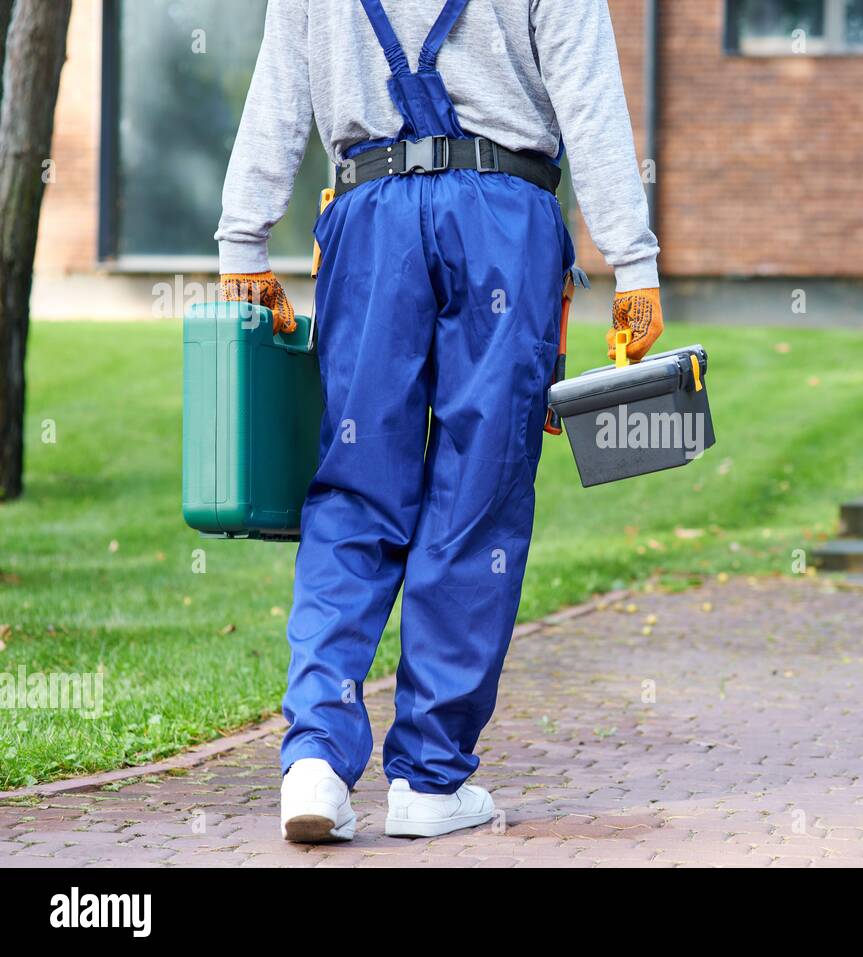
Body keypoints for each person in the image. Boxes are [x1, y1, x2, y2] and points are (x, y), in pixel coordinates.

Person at [215, 0, 662, 843]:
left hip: (370, 213)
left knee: (353, 491)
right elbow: (587, 92)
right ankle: (428, 775)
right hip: (504, 217)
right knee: (477, 498)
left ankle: (315, 756)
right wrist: (632, 262)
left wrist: (245, 241)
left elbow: (280, 79)